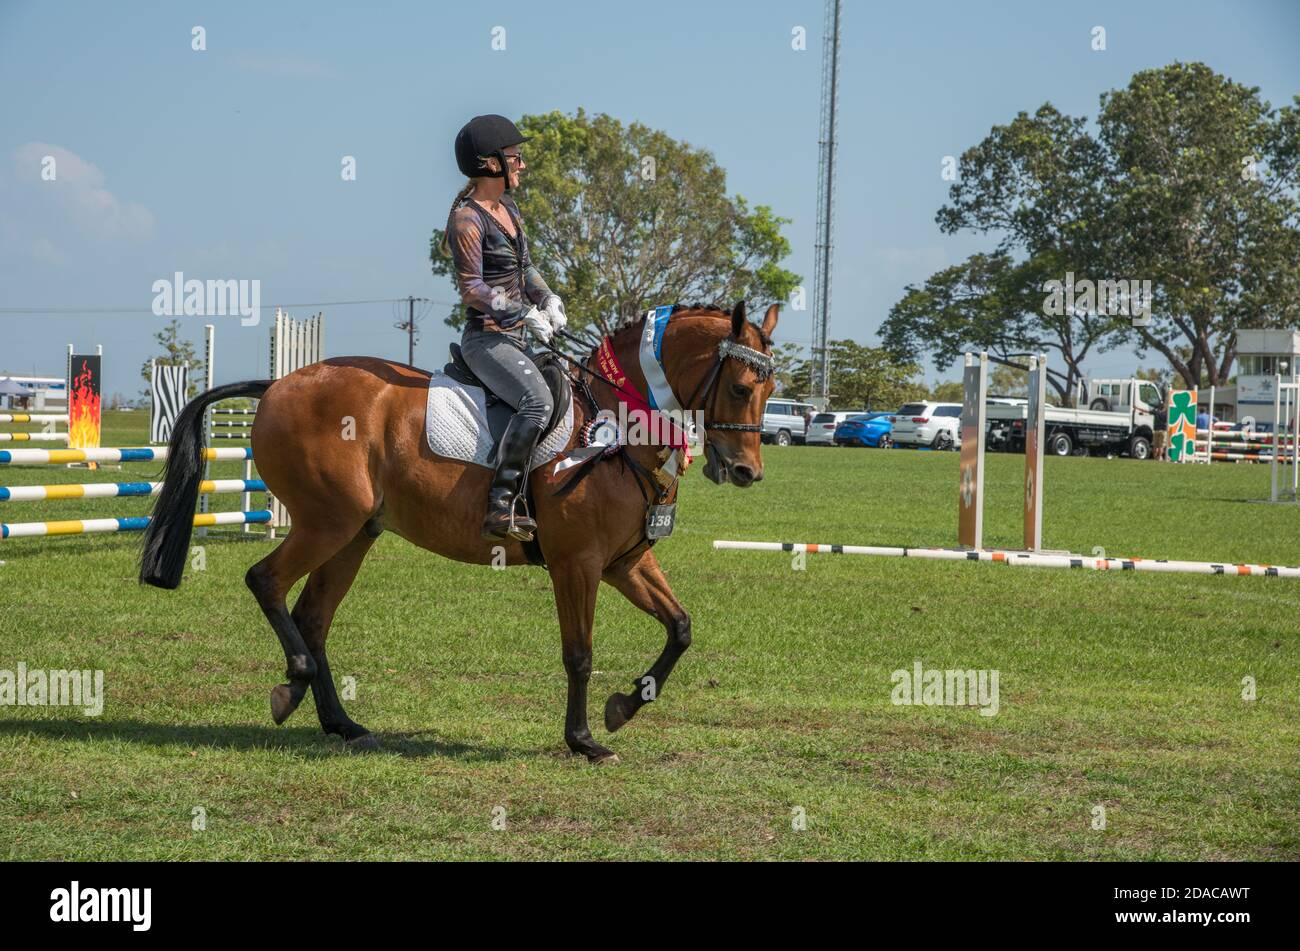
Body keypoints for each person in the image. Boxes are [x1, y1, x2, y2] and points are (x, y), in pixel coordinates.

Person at [442, 115, 567, 542]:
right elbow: (472, 288)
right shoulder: (467, 219)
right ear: (491, 164)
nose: (522, 164)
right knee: (536, 401)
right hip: (486, 339)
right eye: (515, 157)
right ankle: (501, 504)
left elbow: (526, 267)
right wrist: (521, 312)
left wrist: (547, 298)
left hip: (514, 338)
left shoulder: (508, 210)